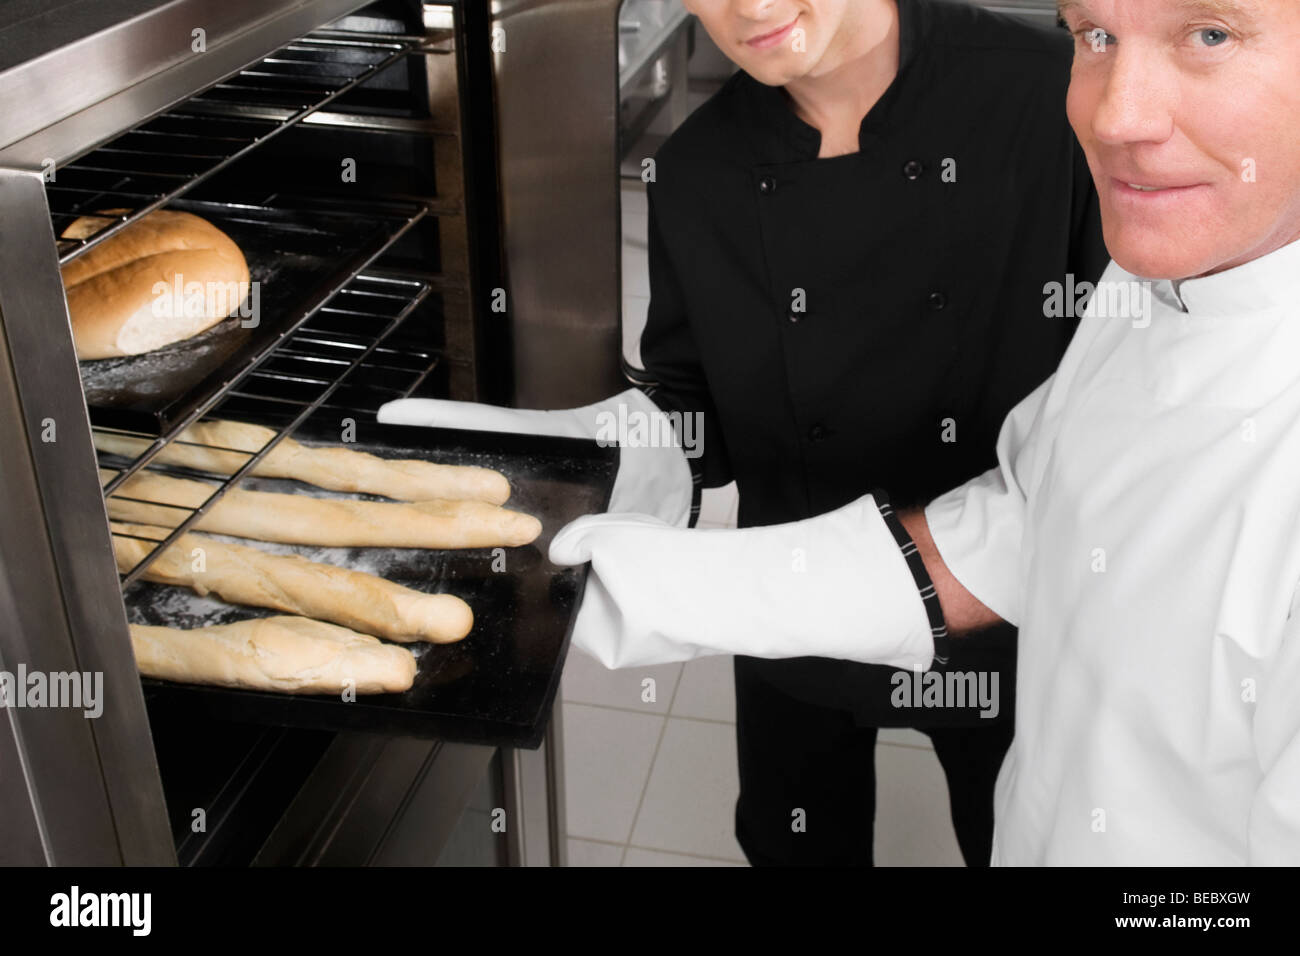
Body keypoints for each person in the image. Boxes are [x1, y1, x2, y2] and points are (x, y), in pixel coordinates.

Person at [550, 0, 1300, 864]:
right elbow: (1031, 511)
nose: (1117, 115)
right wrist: (654, 576)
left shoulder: (1050, 121)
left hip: (993, 664)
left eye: (1210, 35)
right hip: (852, 637)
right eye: (1094, 35)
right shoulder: (1159, 288)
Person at [382, 0, 1106, 867]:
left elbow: (1122, 389)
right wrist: (579, 458)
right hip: (791, 595)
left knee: (1021, 841)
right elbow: (699, 402)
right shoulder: (697, 167)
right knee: (796, 845)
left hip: (1009, 607)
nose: (751, 6)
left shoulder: (1050, 94)